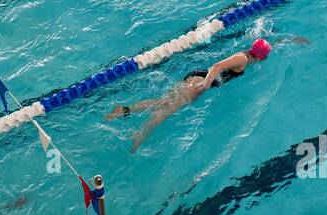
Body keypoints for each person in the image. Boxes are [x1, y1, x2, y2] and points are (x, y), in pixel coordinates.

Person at [105, 39, 275, 152]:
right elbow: (216, 66)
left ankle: (125, 110)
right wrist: (206, 85)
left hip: (197, 83)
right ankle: (140, 134)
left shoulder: (244, 56)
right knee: (166, 109)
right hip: (197, 83)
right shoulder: (243, 60)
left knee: (164, 102)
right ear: (260, 57)